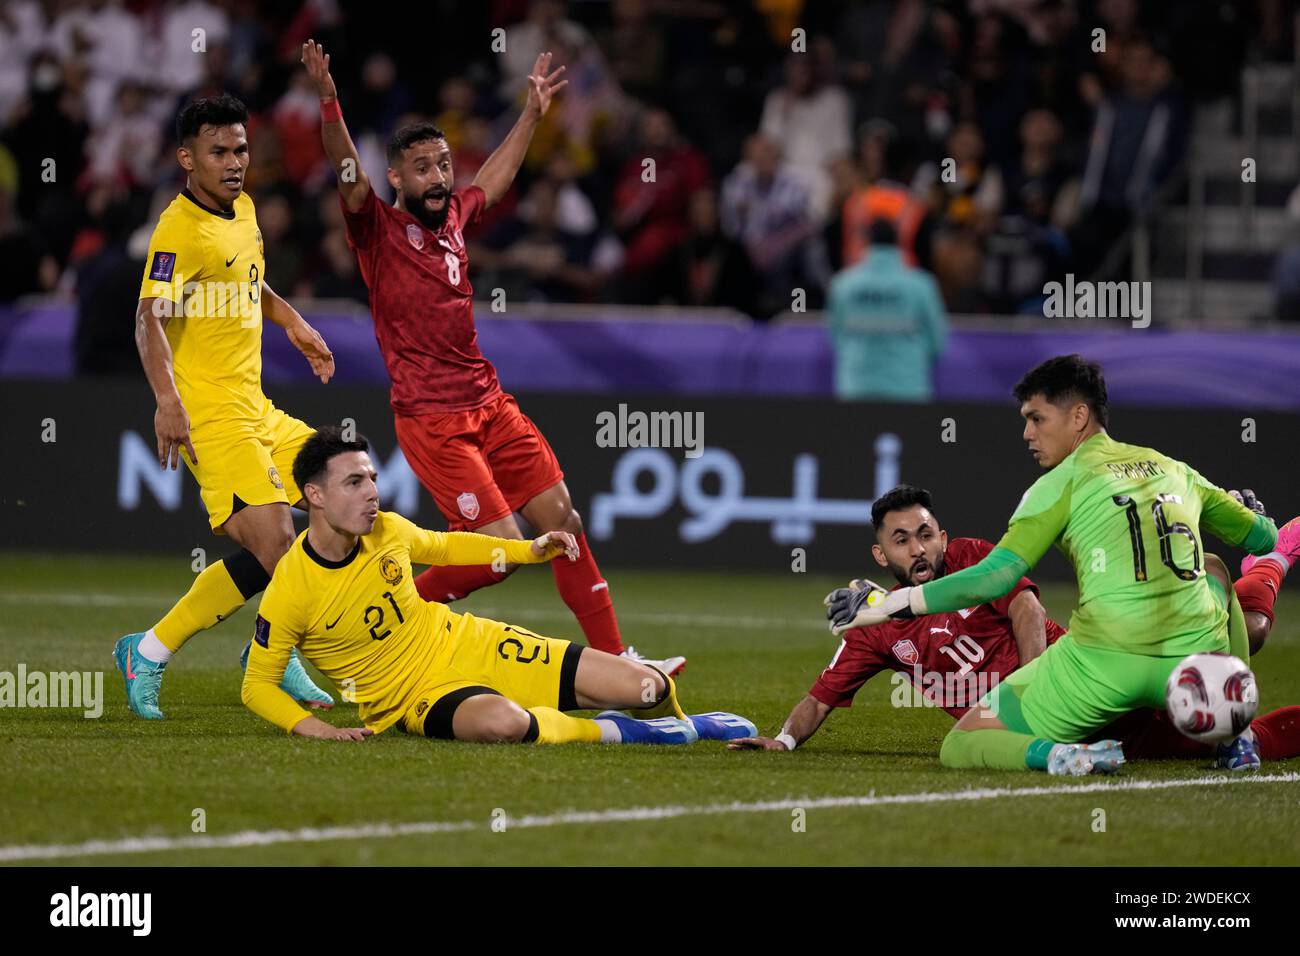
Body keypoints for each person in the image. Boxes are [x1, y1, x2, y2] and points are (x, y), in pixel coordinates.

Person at [301, 40, 683, 674]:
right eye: (421, 167)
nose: (437, 177)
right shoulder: (375, 229)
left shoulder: (452, 216)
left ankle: (617, 662)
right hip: (431, 419)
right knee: (499, 553)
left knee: (564, 520)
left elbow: (493, 184)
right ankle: (376, 634)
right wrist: (328, 99)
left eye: (443, 163)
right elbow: (347, 172)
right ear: (396, 177)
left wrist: (532, 114)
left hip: (490, 404)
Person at [826, 355, 1279, 775]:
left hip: (1103, 666)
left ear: (1078, 416)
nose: (1027, 433)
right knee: (1216, 568)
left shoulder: (1057, 483)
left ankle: (1060, 755)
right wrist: (1250, 513)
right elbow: (1263, 538)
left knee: (962, 744)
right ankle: (1234, 733)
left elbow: (997, 576)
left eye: (1036, 418)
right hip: (1189, 663)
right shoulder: (1174, 469)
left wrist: (896, 602)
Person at [729, 485, 1300, 771]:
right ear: (881, 555)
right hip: (1076, 723)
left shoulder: (975, 561)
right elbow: (820, 697)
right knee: (1220, 732)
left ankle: (1265, 561)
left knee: (1244, 639)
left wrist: (1033, 690)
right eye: (901, 540)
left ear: (944, 537)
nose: (919, 547)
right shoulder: (874, 627)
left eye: (926, 534)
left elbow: (1027, 610)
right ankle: (1260, 567)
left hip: (1085, 676)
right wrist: (781, 739)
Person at [244, 427, 754, 746]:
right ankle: (625, 732)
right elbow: (258, 685)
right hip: (413, 698)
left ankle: (687, 725)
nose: (373, 493)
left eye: (372, 478)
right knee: (503, 724)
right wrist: (316, 729)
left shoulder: (388, 531)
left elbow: (448, 546)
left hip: (471, 644)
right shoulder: (291, 587)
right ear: (314, 495)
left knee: (648, 685)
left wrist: (525, 550)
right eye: (354, 482)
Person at [113, 94, 336, 720]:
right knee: (281, 546)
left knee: (343, 492)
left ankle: (235, 649)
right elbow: (146, 318)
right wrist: (167, 401)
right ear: (187, 158)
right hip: (210, 414)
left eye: (240, 149)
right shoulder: (177, 230)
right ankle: (168, 652)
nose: (235, 161)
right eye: (219, 151)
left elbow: (246, 279)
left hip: (255, 406)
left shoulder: (244, 210)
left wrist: (290, 320)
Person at [827, 219, 947, 402]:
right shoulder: (921, 285)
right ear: (899, 243)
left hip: (856, 389)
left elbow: (836, 337)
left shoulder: (843, 285)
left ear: (866, 243)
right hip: (909, 390)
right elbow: (937, 341)